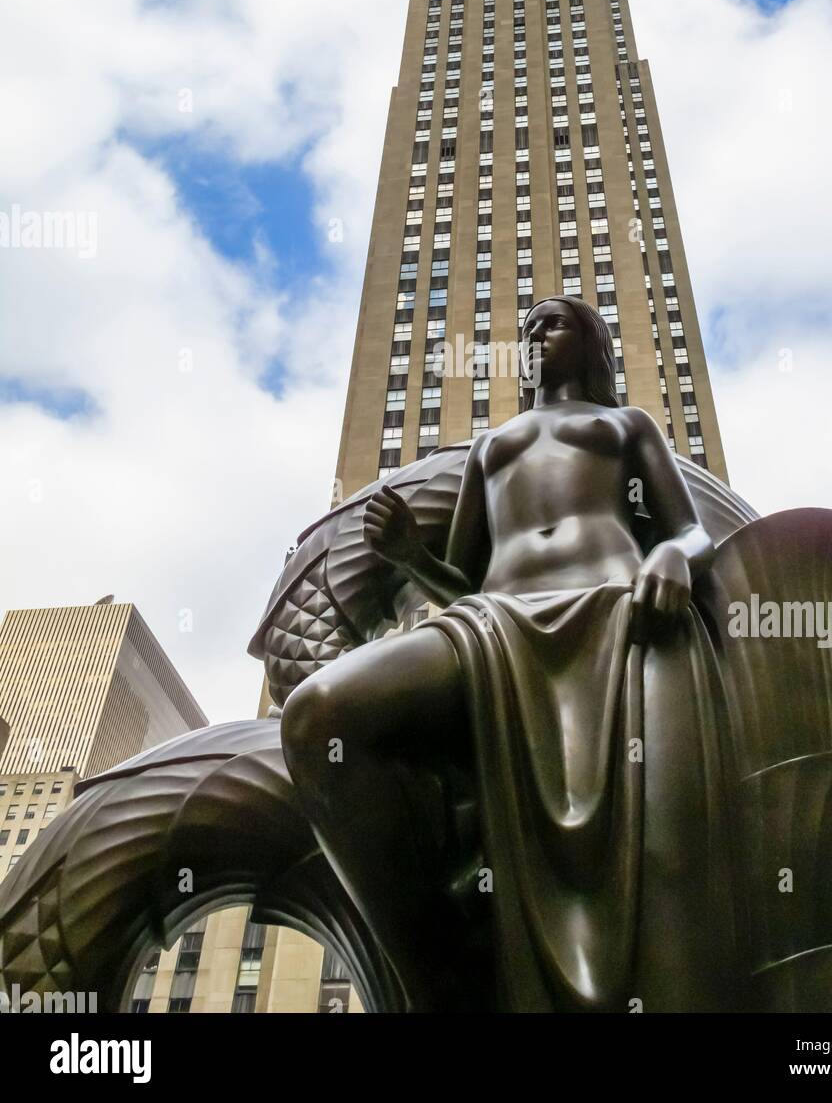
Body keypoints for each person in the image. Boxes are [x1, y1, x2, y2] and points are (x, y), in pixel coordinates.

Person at [282, 297, 718, 1011]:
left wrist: (672, 552)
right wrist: (407, 556)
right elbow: (459, 581)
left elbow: (692, 531)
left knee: (653, 835)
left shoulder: (625, 425)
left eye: (556, 323)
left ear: (592, 342)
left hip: (610, 612)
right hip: (492, 622)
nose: (537, 335)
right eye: (530, 328)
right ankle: (439, 972)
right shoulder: (493, 445)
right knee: (320, 715)